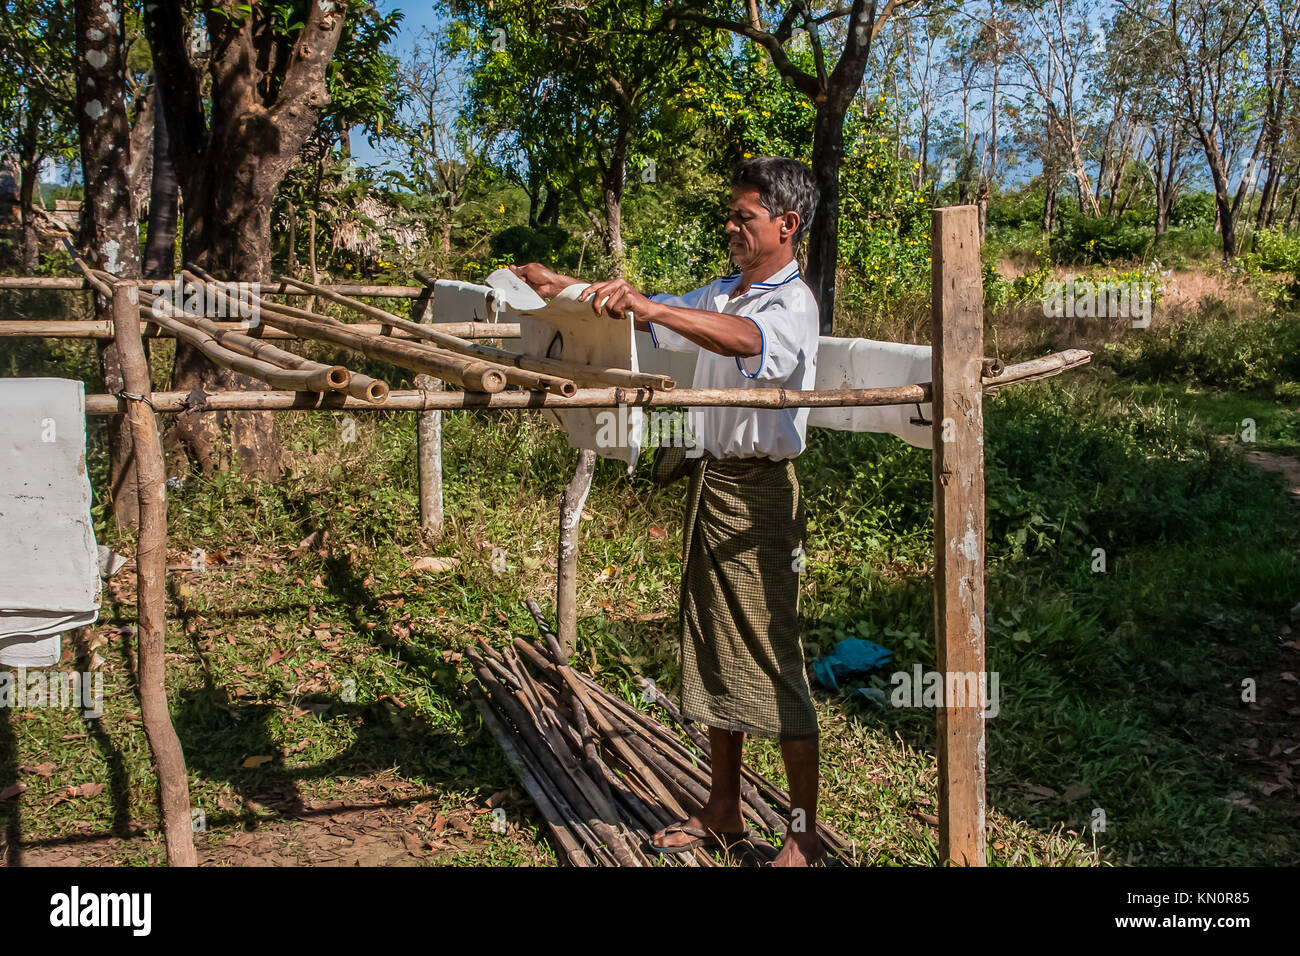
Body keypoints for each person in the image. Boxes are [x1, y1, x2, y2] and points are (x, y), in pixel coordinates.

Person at [510, 156, 823, 866]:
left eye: (745, 216)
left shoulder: (789, 304)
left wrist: (653, 307)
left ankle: (802, 833)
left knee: (775, 661)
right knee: (713, 648)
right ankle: (722, 810)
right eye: (732, 214)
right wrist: (562, 287)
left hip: (759, 497)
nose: (732, 226)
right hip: (714, 485)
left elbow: (752, 346)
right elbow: (655, 315)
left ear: (787, 224)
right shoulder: (724, 292)